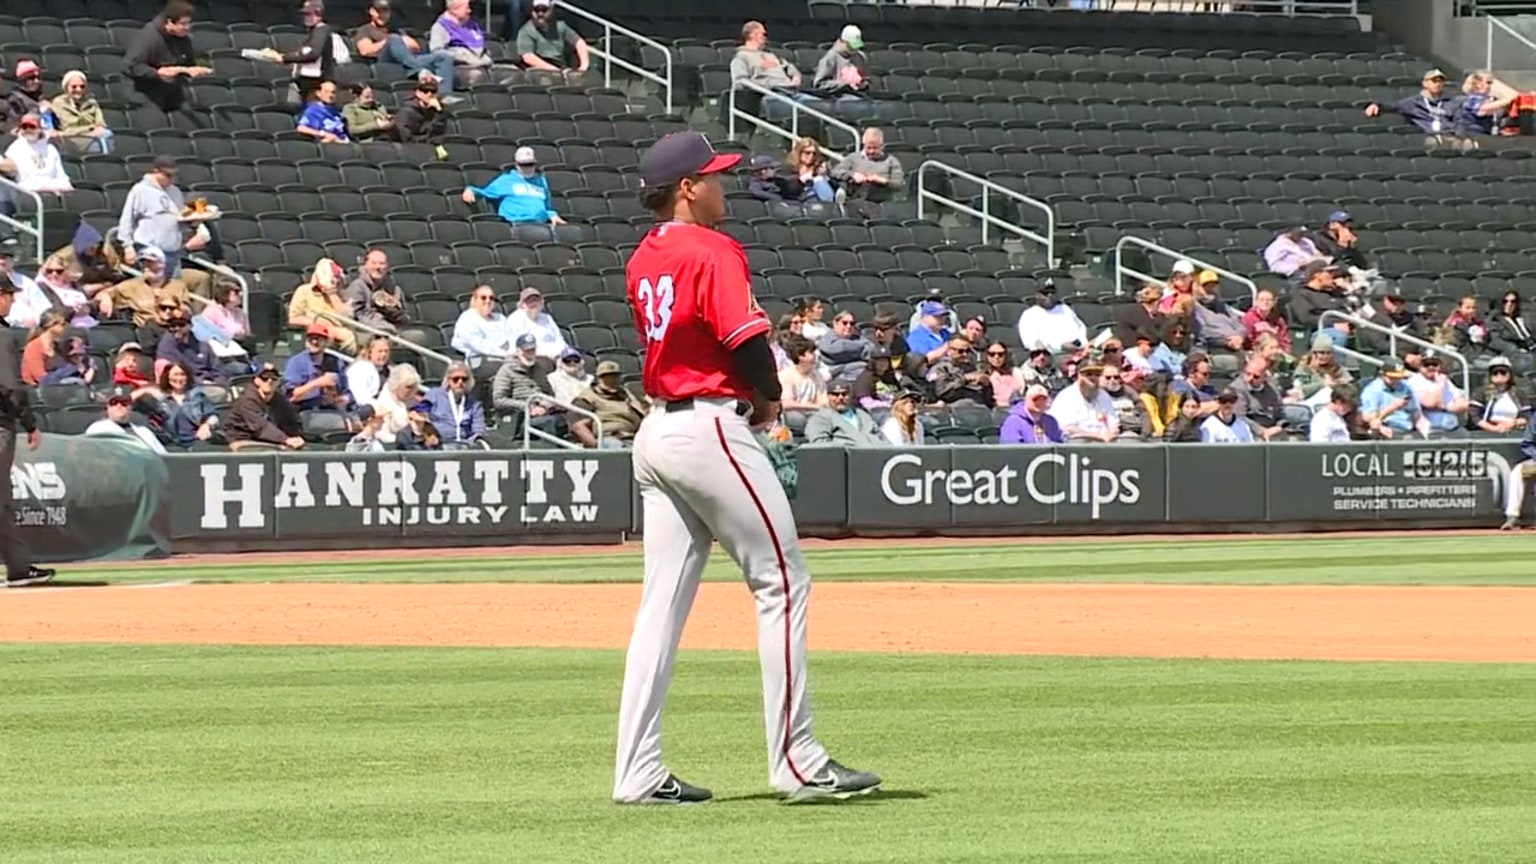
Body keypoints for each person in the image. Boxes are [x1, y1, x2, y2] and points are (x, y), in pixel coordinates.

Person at [614, 131, 880, 805]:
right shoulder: (712, 248)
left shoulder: (643, 256)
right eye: (713, 177)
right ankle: (798, 761)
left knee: (660, 608)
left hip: (657, 429)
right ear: (686, 188)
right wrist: (767, 397)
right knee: (782, 582)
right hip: (708, 425)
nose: (722, 184)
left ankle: (637, 772)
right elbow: (748, 342)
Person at [0, 276, 52, 587]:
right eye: (7, 294)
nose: (11, 300)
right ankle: (19, 568)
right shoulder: (3, 336)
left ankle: (19, 567)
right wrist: (30, 423)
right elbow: (9, 388)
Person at [352, 0, 459, 99]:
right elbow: (365, 50)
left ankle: (444, 95)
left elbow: (415, 46)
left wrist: (400, 41)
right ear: (372, 12)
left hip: (406, 60)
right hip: (385, 61)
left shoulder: (395, 30)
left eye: (386, 12)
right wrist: (388, 41)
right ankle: (420, 71)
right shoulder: (365, 30)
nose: (383, 15)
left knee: (443, 57)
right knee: (393, 39)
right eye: (379, 12)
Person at [122, 0, 208, 114]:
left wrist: (199, 68)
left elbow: (190, 62)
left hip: (171, 88)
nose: (187, 27)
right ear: (169, 22)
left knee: (189, 112)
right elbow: (134, 66)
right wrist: (157, 73)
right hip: (143, 90)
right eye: (183, 24)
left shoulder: (184, 38)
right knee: (154, 117)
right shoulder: (149, 37)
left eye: (188, 23)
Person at [462, 147, 565, 226]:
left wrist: (552, 215)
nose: (527, 168)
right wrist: (470, 190)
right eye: (523, 165)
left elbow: (546, 206)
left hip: (540, 224)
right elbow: (485, 192)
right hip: (516, 224)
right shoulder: (505, 180)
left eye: (530, 164)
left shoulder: (540, 181)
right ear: (516, 164)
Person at [226, 363, 305, 451]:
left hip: (269, 440)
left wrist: (297, 438)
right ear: (256, 380)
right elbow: (259, 427)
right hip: (242, 439)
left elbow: (290, 423)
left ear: (278, 382)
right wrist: (286, 440)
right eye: (264, 378)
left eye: (274, 378)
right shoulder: (246, 399)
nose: (269, 381)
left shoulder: (280, 399)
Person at [570, 360, 647, 448]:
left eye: (614, 376)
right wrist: (595, 446)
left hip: (633, 437)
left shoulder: (627, 395)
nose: (611, 380)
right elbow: (579, 427)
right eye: (606, 377)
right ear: (599, 378)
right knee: (615, 445)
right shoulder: (587, 398)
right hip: (608, 438)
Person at [516, 0, 590, 78]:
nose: (540, 14)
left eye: (544, 10)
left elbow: (579, 42)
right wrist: (555, 71)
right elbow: (528, 57)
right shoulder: (525, 31)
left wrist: (584, 66)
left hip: (562, 68)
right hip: (540, 72)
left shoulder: (561, 26)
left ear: (551, 10)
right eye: (537, 10)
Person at [3, 114, 72, 194]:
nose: (28, 130)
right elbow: (12, 171)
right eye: (24, 127)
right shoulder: (16, 147)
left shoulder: (51, 149)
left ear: (39, 129)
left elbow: (61, 176)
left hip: (53, 189)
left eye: (32, 127)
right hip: (28, 192)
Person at [50, 71, 114, 155]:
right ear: (66, 88)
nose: (78, 90)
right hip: (70, 140)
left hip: (90, 140)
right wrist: (89, 129)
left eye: (82, 86)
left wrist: (95, 131)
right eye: (74, 87)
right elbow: (68, 127)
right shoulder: (59, 103)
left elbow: (101, 124)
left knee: (107, 134)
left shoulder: (92, 102)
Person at [85, 389, 165, 453]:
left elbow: (164, 456)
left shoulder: (144, 431)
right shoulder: (97, 429)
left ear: (130, 408)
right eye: (114, 403)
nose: (119, 406)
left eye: (124, 403)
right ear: (107, 408)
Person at [999, 384, 1063, 444]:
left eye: (1043, 399)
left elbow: (1060, 444)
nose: (1039, 403)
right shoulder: (1013, 422)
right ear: (1026, 400)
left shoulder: (1051, 422)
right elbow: (1010, 451)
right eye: (1035, 399)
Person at [295, 79, 349, 144]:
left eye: (333, 92)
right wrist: (323, 134)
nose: (330, 95)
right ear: (318, 93)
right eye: (326, 92)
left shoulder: (335, 111)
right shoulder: (313, 111)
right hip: (328, 145)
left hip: (344, 142)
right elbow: (301, 128)